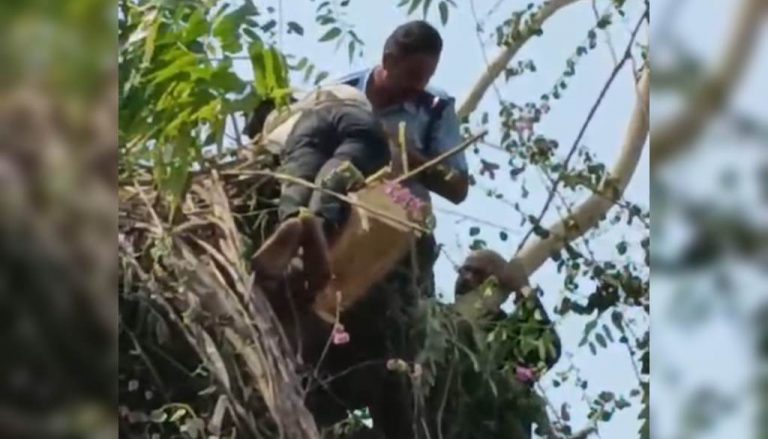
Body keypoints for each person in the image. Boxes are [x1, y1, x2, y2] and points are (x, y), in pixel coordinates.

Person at [245, 84, 392, 292]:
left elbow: (259, 160)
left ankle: (293, 218)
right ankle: (319, 222)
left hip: (308, 125)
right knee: (335, 176)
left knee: (298, 180)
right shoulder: (310, 93)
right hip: (359, 118)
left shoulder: (273, 127)